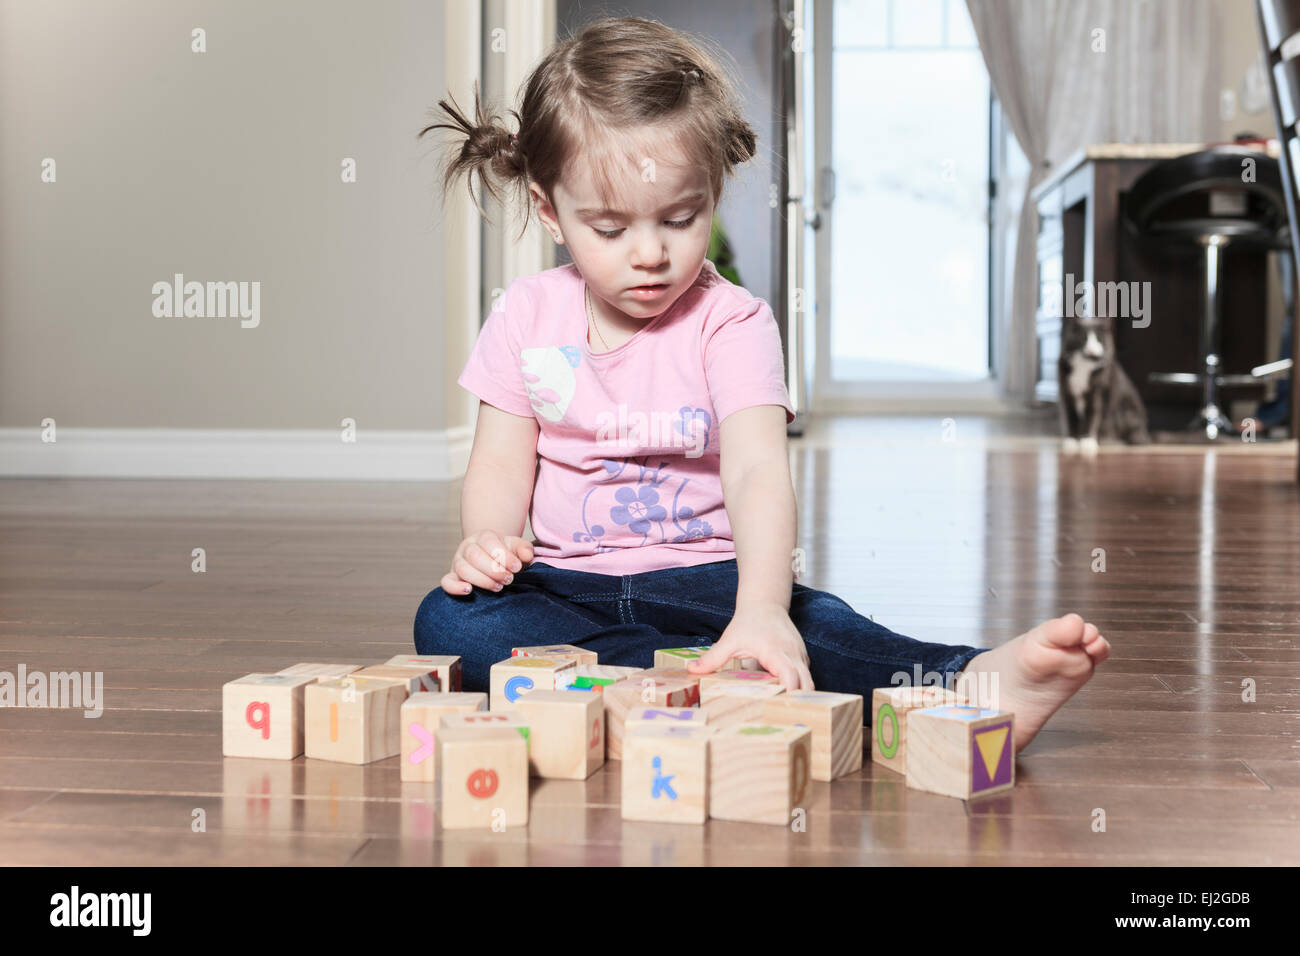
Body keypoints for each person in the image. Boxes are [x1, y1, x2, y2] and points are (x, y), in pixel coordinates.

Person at [415, 15, 1109, 753]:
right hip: (566, 586)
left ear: (712, 194)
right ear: (551, 211)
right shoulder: (525, 313)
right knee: (450, 619)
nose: (649, 254)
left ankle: (964, 681)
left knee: (819, 626)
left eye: (680, 220)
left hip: (713, 579)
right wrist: (486, 542)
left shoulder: (733, 321)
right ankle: (695, 681)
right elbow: (499, 459)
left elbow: (755, 471)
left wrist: (762, 609)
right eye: (611, 230)